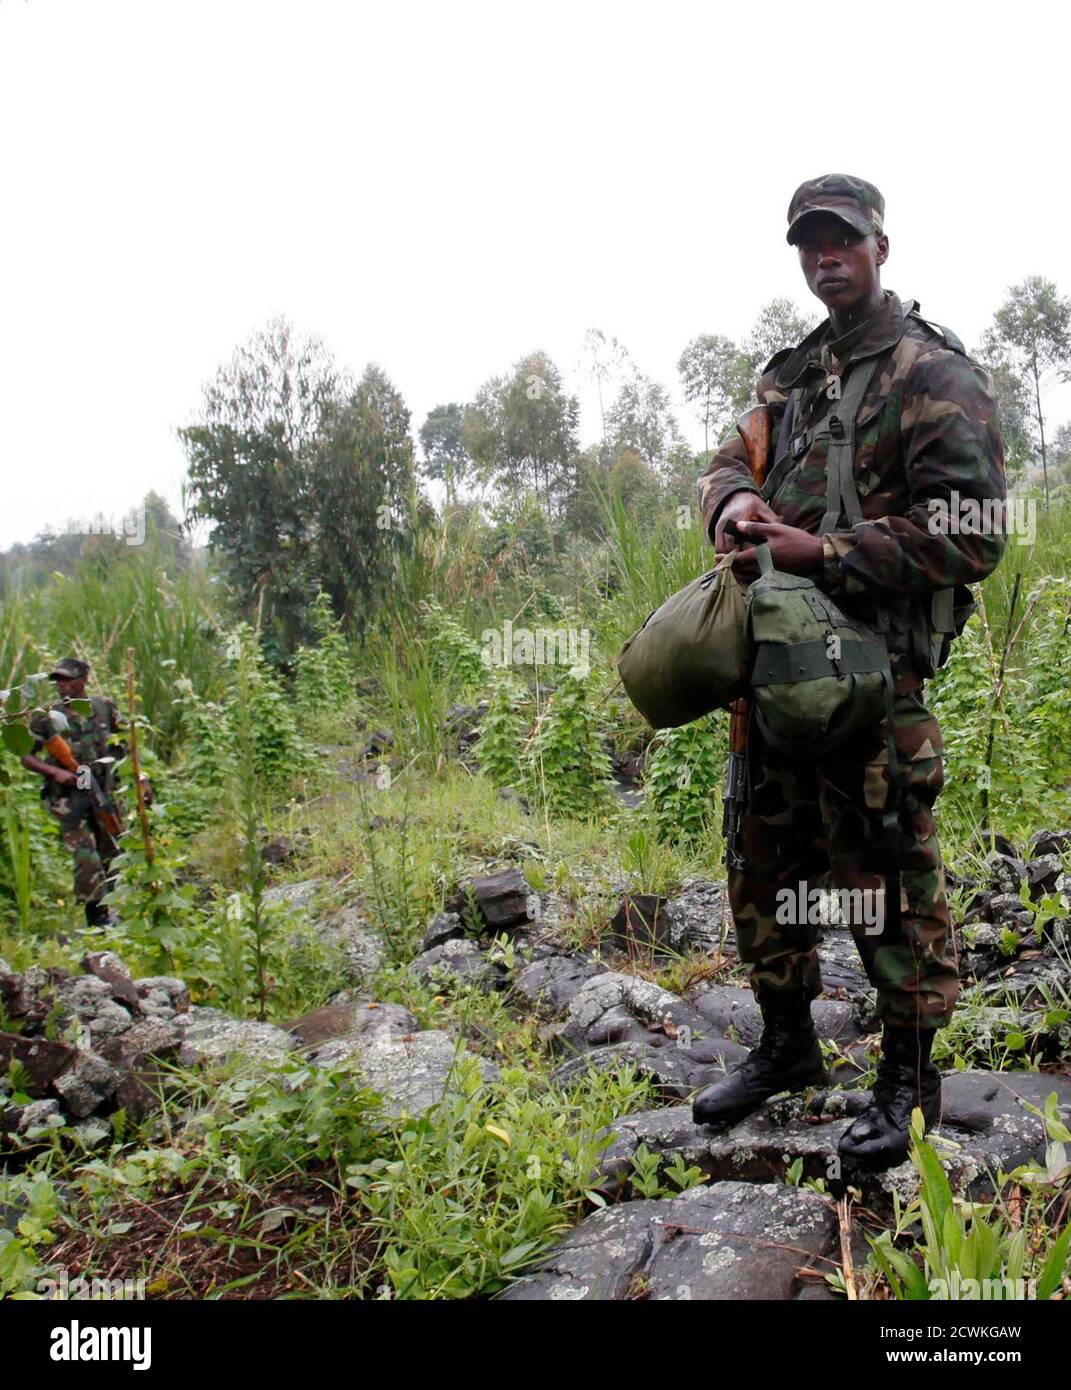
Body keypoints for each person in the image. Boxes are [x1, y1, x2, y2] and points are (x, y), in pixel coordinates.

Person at [690, 174, 1008, 1167]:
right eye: (810, 243)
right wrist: (735, 509)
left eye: (844, 239)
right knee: (765, 860)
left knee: (885, 872)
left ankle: (909, 1080)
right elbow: (724, 461)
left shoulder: (933, 375)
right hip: (776, 675)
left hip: (875, 683)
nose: (827, 256)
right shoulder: (789, 377)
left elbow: (975, 529)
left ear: (880, 245)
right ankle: (788, 1045)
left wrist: (823, 553)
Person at [20, 657, 125, 928]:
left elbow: (125, 743)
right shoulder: (47, 717)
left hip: (103, 790)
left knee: (111, 850)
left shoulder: (103, 708)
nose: (62, 685)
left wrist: (140, 777)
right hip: (70, 798)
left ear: (84, 679)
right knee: (85, 855)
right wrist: (55, 772)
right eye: (58, 681)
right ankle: (97, 919)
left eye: (68, 679)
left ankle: (113, 911)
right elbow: (26, 755)